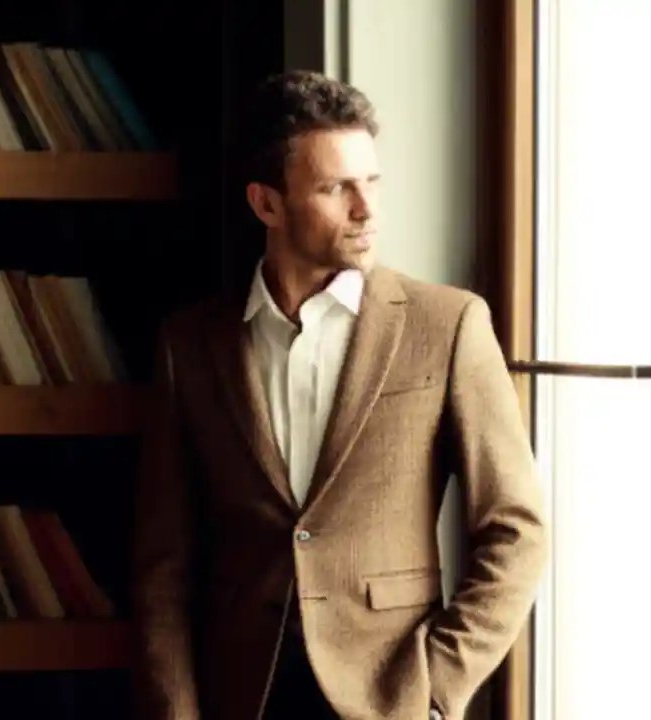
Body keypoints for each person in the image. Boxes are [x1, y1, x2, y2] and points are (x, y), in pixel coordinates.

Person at [130, 69, 549, 720]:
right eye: (336, 188)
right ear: (267, 205)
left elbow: (516, 530)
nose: (366, 208)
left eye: (371, 181)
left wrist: (438, 687)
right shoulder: (190, 345)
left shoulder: (447, 325)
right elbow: (163, 564)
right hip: (240, 693)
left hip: (386, 694)